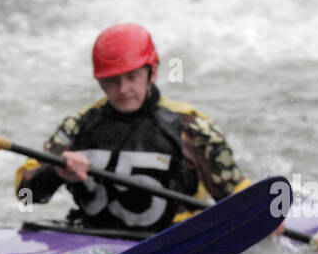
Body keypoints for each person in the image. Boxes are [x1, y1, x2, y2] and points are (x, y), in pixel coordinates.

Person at [15, 23, 252, 235]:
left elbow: (235, 195)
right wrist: (56, 172)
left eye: (132, 76)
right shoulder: (77, 126)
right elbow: (25, 197)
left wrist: (263, 217)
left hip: (173, 240)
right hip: (94, 241)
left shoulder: (191, 127)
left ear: (153, 72)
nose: (123, 89)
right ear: (99, 81)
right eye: (112, 80)